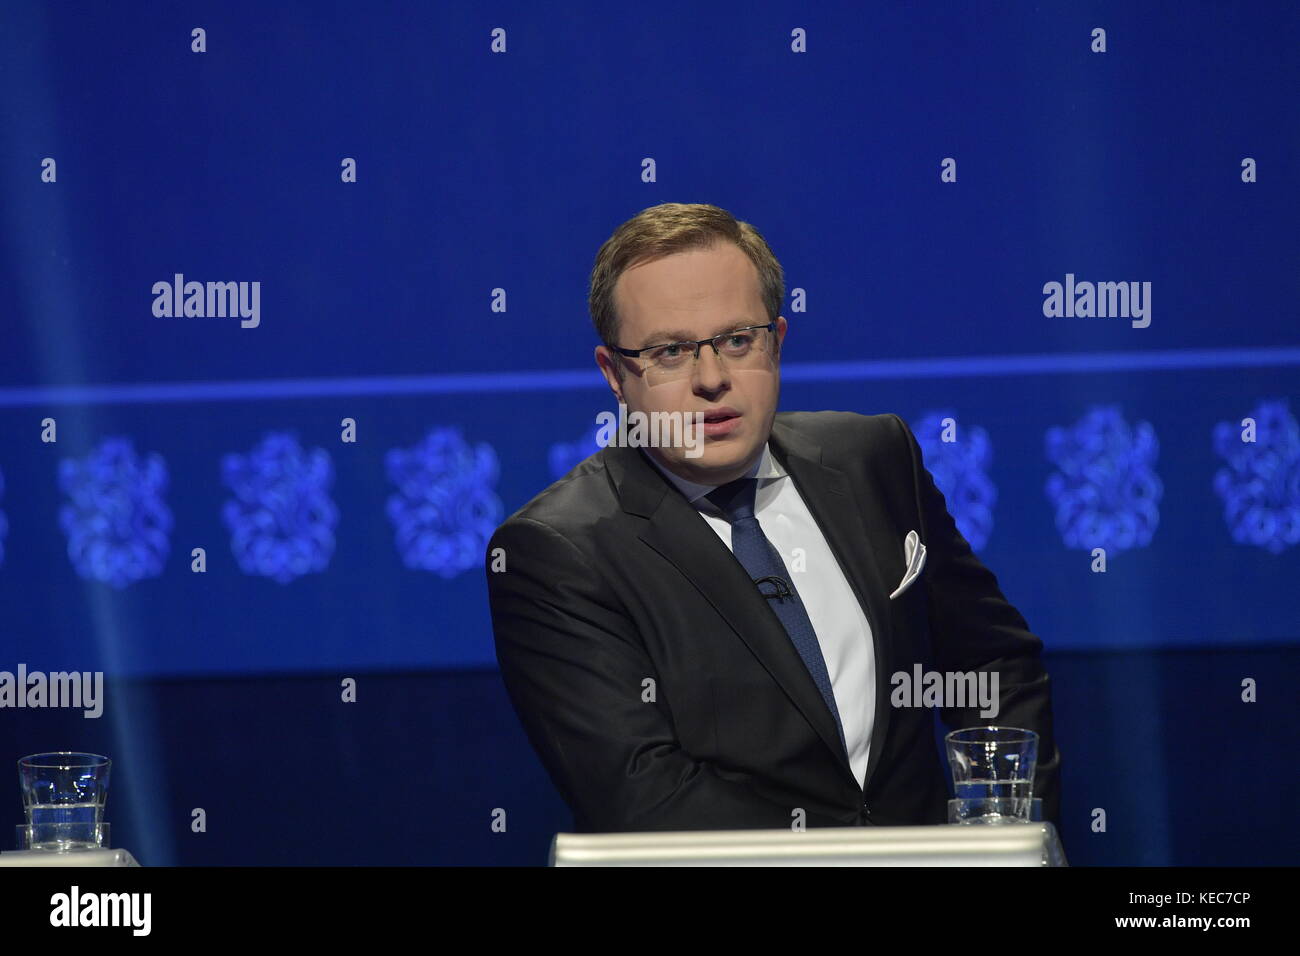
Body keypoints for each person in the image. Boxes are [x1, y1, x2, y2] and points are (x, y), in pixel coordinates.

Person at [485, 202, 1060, 833]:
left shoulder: (873, 461)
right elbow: (647, 800)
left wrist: (1005, 832)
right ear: (616, 374)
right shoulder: (558, 551)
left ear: (777, 342)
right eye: (671, 352)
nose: (712, 379)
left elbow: (992, 668)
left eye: (736, 340)